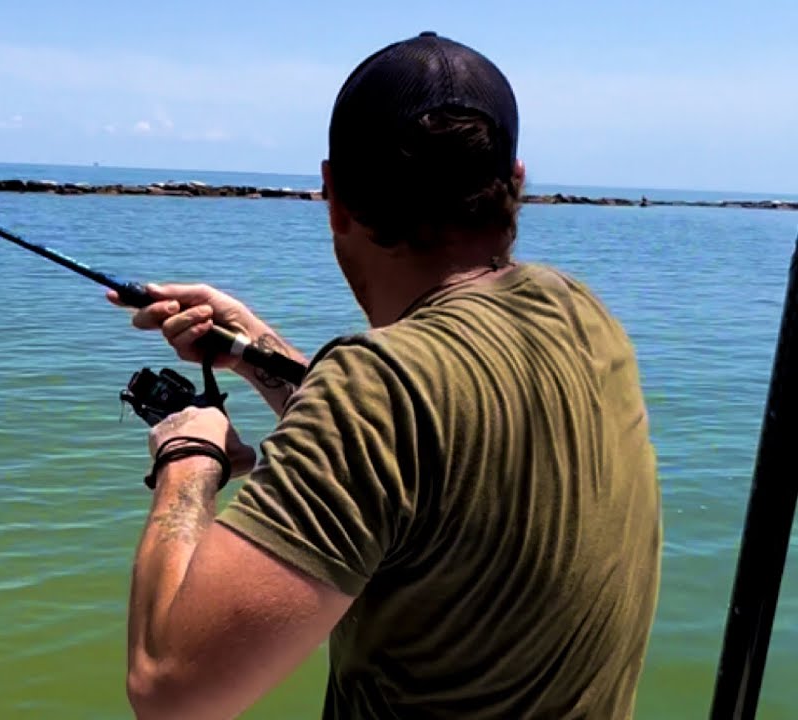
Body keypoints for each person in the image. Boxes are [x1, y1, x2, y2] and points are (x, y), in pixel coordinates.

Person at [107, 31, 662, 719]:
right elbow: (423, 445)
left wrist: (188, 457)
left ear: (333, 195)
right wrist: (252, 347)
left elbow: (171, 689)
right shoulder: (582, 314)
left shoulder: (377, 388)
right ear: (515, 184)